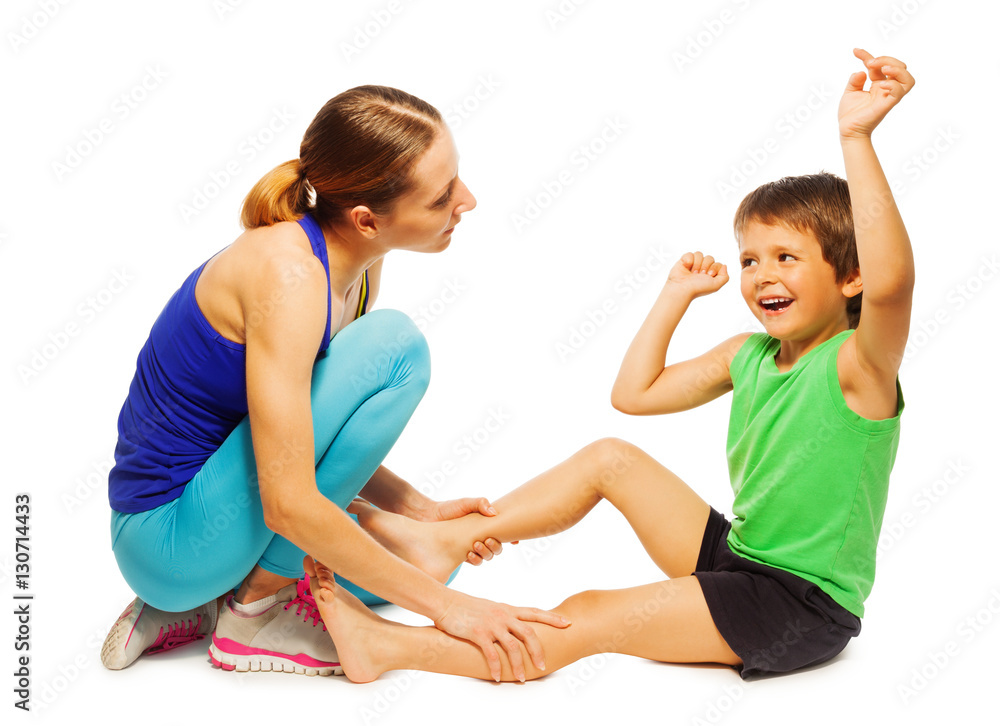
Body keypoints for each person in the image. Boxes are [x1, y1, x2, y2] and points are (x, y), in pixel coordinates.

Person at [305, 48, 914, 682]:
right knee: (608, 458)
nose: (763, 275)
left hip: (799, 606)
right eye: (752, 259)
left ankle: (388, 649)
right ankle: (443, 543)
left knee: (588, 615)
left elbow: (893, 286)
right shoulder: (746, 355)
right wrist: (673, 297)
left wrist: (856, 136)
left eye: (787, 257)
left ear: (851, 276)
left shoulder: (857, 367)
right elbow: (635, 394)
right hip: (738, 556)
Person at [100, 85, 569, 680]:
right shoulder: (291, 276)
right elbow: (288, 498)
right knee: (397, 348)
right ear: (367, 219)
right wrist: (455, 613)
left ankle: (203, 605)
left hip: (218, 516)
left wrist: (420, 511)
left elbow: (304, 428)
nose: (468, 201)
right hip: (166, 541)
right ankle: (250, 612)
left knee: (429, 562)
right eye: (442, 196)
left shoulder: (358, 266)